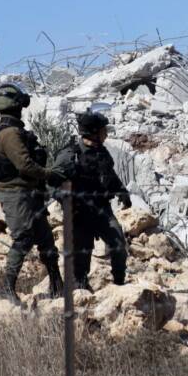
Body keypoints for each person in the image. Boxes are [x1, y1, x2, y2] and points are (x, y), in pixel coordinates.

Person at [0, 82, 65, 301]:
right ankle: (6, 287)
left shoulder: (11, 131)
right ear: (17, 105)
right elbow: (25, 166)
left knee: (45, 239)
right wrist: (50, 174)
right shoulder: (10, 134)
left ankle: (57, 284)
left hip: (28, 193)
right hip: (16, 194)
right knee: (23, 238)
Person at [54, 110, 132, 289]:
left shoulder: (102, 152)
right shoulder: (70, 155)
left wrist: (121, 191)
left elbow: (110, 175)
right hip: (79, 214)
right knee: (82, 257)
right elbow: (51, 182)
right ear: (94, 132)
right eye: (104, 130)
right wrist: (65, 198)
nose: (106, 133)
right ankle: (81, 291)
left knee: (118, 244)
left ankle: (119, 284)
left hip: (102, 210)